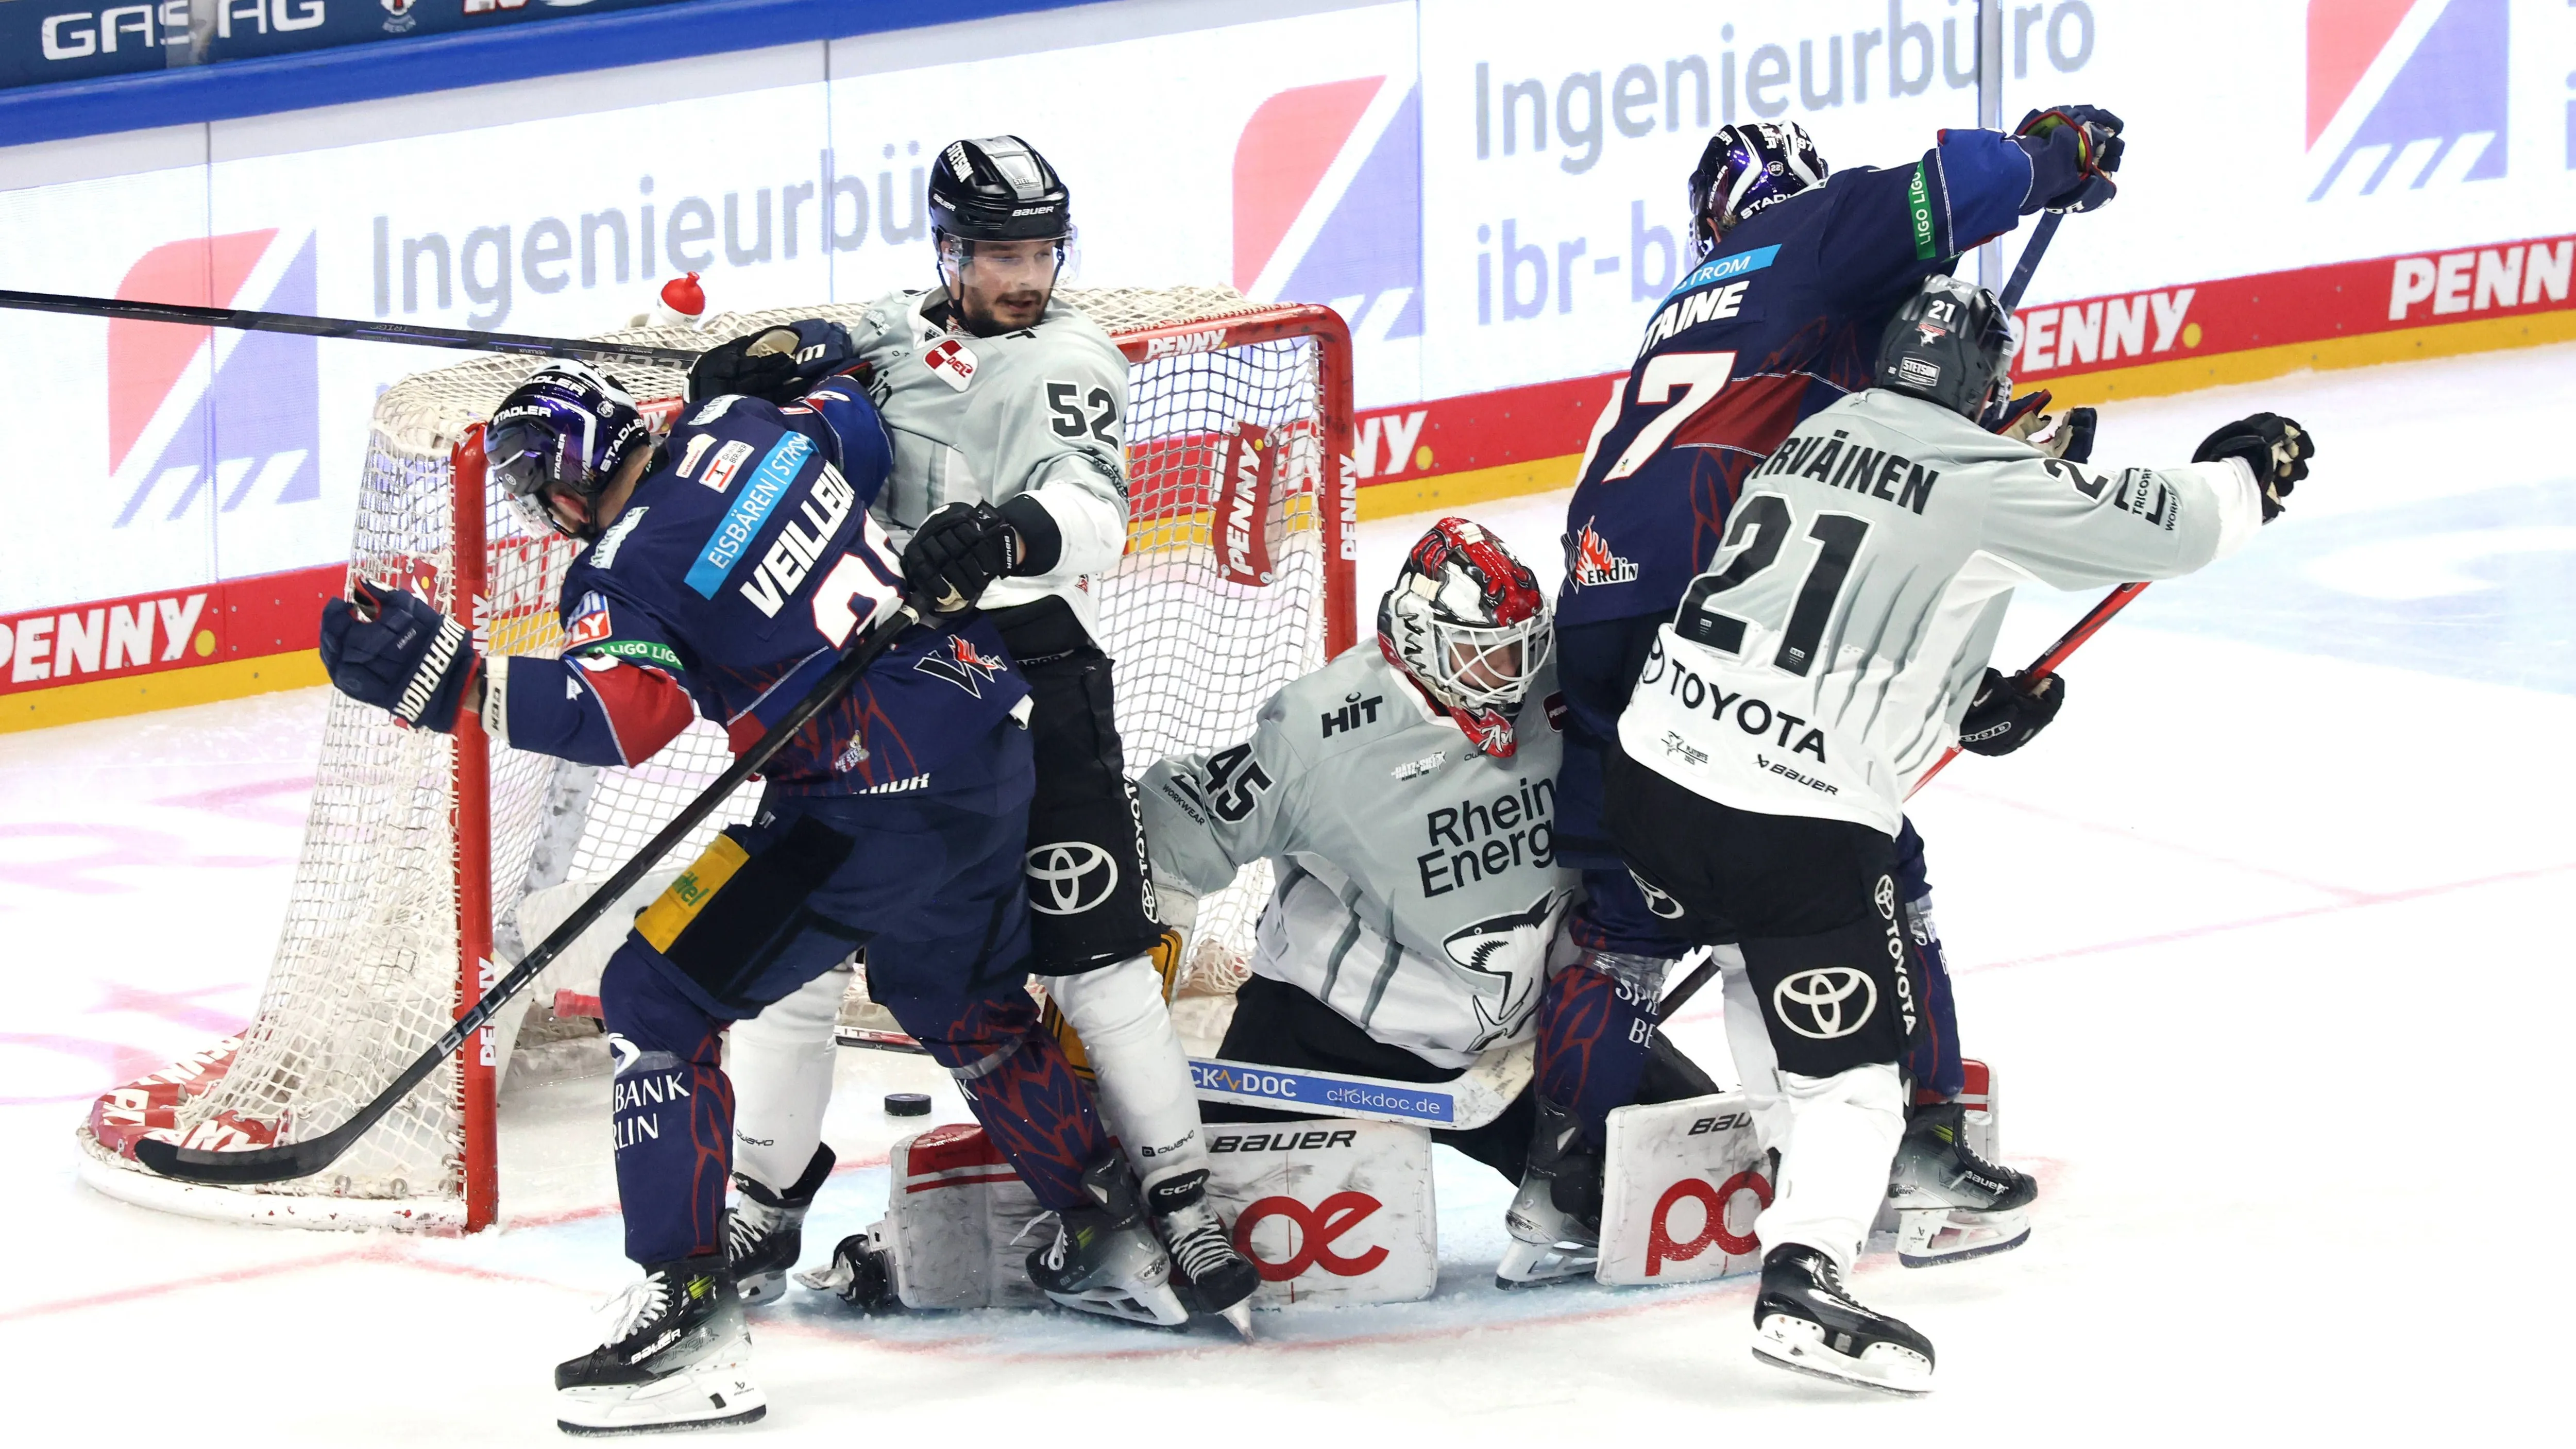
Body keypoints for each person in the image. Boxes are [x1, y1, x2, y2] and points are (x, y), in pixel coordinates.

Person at [314, 358, 1175, 1434]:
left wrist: (453, 680)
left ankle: (688, 1321)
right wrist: (789, 355)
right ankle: (1112, 1233)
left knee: (654, 996)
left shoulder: (618, 570)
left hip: (862, 804)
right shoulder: (742, 420)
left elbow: (623, 718)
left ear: (567, 489)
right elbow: (858, 421)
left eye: (542, 495)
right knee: (955, 997)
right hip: (990, 744)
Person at [1607, 274, 2314, 1393]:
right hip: (1786, 819)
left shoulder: (1814, 434)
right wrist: (2245, 471)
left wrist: (1955, 700)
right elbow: (2168, 529)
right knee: (1858, 1079)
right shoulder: (1983, 473)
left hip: (1651, 774)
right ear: (1985, 386)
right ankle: (1806, 1269)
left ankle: (1802, 1170)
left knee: (1754, 961)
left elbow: (1836, 608)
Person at [688, 135, 1257, 1331]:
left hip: (1035, 673)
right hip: (884, 683)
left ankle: (1179, 1196)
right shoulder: (893, 327)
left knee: (1099, 959)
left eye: (1041, 252)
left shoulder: (1071, 358)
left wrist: (1005, 534)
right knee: (792, 956)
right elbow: (813, 373)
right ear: (949, 252)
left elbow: (1093, 510)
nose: (1024, 276)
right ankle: (762, 1202)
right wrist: (756, 370)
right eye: (1000, 254)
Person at [1535, 109, 2124, 1261]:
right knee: (1862, 857)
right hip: (1722, 602)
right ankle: (1921, 1145)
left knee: (1623, 913)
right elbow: (1970, 179)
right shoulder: (1813, 231)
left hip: (1600, 598)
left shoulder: (1693, 305)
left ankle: (1557, 1190)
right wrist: (2053, 158)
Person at [1132, 518, 1718, 1285]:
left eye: (1524, 649)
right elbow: (1181, 823)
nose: (1512, 675)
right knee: (1201, 1231)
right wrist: (1121, 988)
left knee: (1705, 1179)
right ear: (1418, 639)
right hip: (1334, 1042)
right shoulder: (1320, 729)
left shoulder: (1562, 680)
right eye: (1485, 654)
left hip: (1532, 1042)